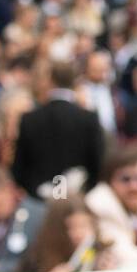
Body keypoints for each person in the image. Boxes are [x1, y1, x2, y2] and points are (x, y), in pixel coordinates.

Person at [12, 60, 106, 198]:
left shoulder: (30, 119)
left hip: (39, 199)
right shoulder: (88, 118)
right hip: (77, 198)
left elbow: (20, 167)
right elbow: (97, 163)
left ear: (50, 80)